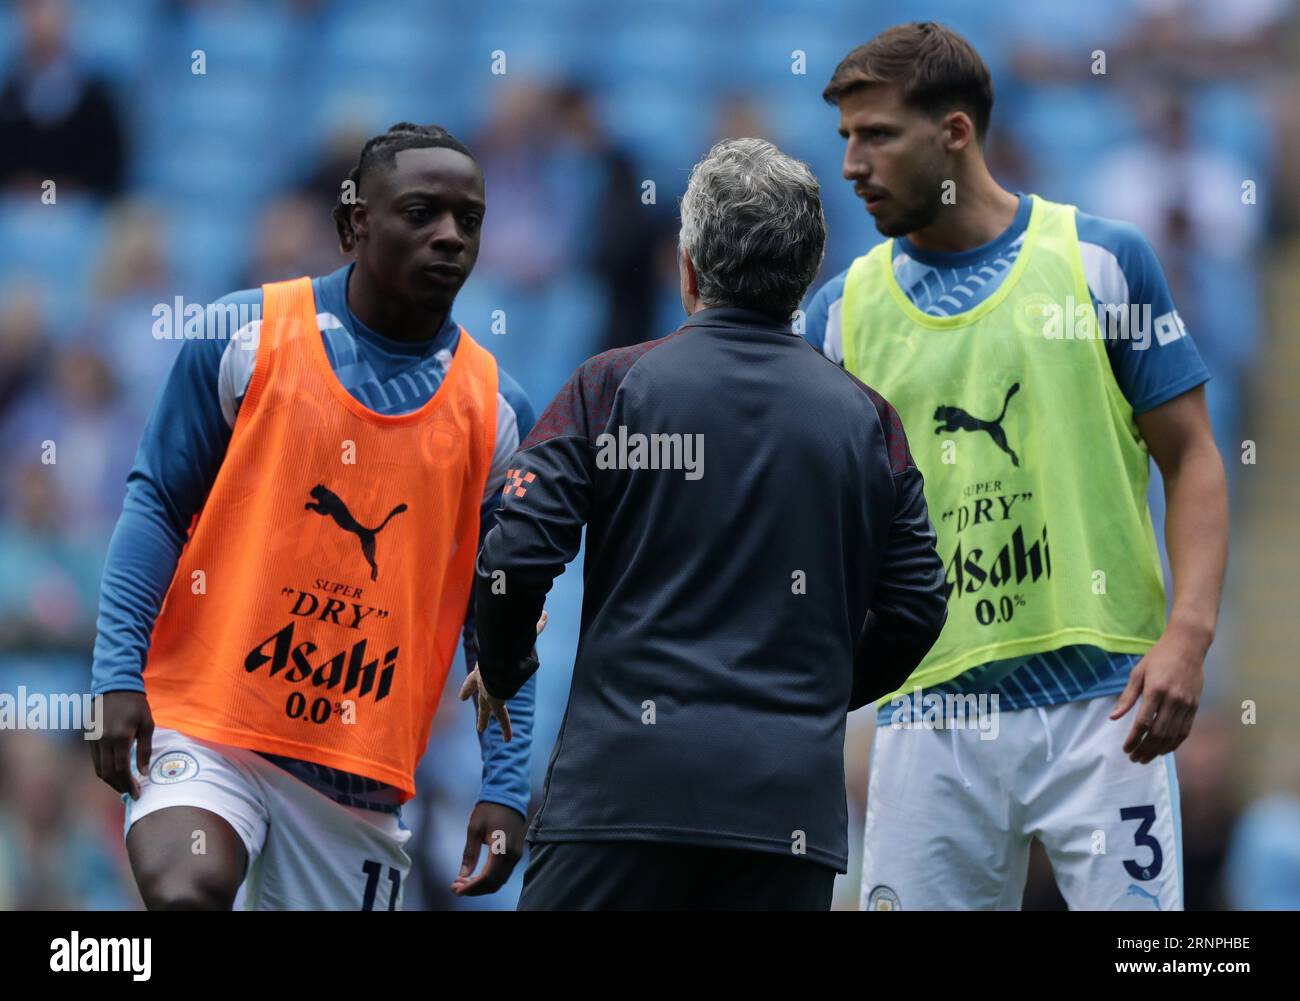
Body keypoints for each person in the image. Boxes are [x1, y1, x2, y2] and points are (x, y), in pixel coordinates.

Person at [460, 138, 948, 911]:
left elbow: (515, 553)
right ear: (807, 274)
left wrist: (504, 657)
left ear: (686, 267)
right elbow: (920, 604)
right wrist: (813, 691)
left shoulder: (611, 387)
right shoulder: (867, 422)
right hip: (785, 818)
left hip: (616, 800)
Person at [805, 22, 1229, 911]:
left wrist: (1186, 638)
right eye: (845, 138)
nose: (851, 164)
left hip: (1106, 703)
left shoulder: (1102, 263)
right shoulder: (841, 316)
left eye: (876, 134)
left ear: (955, 132)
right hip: (928, 708)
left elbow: (1192, 456)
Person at [89, 123, 537, 909]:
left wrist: (504, 785)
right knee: (186, 888)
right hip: (209, 722)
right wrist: (117, 672)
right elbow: (157, 501)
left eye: (468, 221)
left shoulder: (496, 412)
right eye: (421, 213)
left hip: (354, 775)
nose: (449, 237)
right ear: (354, 224)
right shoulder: (243, 336)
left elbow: (502, 611)